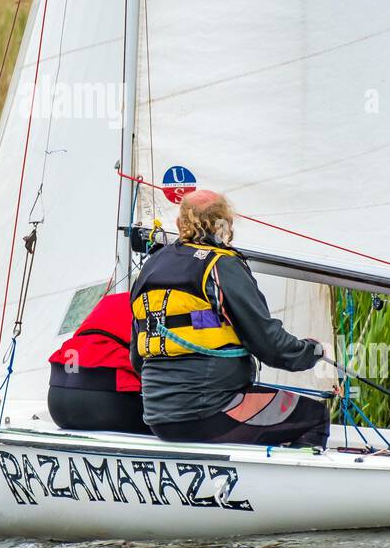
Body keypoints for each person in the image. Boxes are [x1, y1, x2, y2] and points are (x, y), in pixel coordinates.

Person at [130, 189, 331, 447]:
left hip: (159, 418)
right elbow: (271, 347)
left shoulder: (149, 268)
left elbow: (138, 358)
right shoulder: (220, 265)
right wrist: (312, 352)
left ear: (180, 224)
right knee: (313, 417)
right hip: (211, 412)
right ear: (225, 225)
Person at [47, 290, 151, 434]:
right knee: (169, 421)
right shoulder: (152, 304)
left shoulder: (111, 300)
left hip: (56, 403)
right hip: (105, 402)